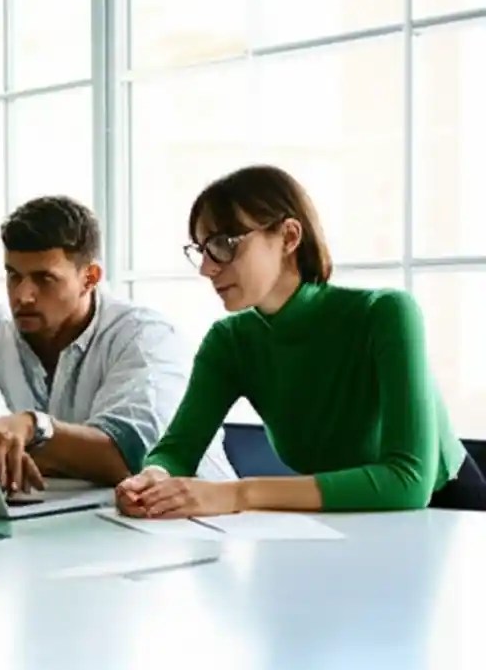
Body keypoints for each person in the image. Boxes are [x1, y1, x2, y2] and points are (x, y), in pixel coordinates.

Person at [117, 165, 486, 517]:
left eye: (224, 244)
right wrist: (154, 478)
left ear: (289, 237)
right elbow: (177, 450)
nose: (207, 267)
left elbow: (409, 481)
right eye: (201, 249)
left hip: (448, 514)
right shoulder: (229, 342)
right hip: (339, 521)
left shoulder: (386, 314)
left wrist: (237, 494)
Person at [0, 196, 235, 494]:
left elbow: (129, 458)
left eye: (44, 279)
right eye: (14, 276)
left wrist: (31, 427)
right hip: (98, 517)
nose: (23, 295)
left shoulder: (146, 337)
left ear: (90, 277)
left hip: (203, 524)